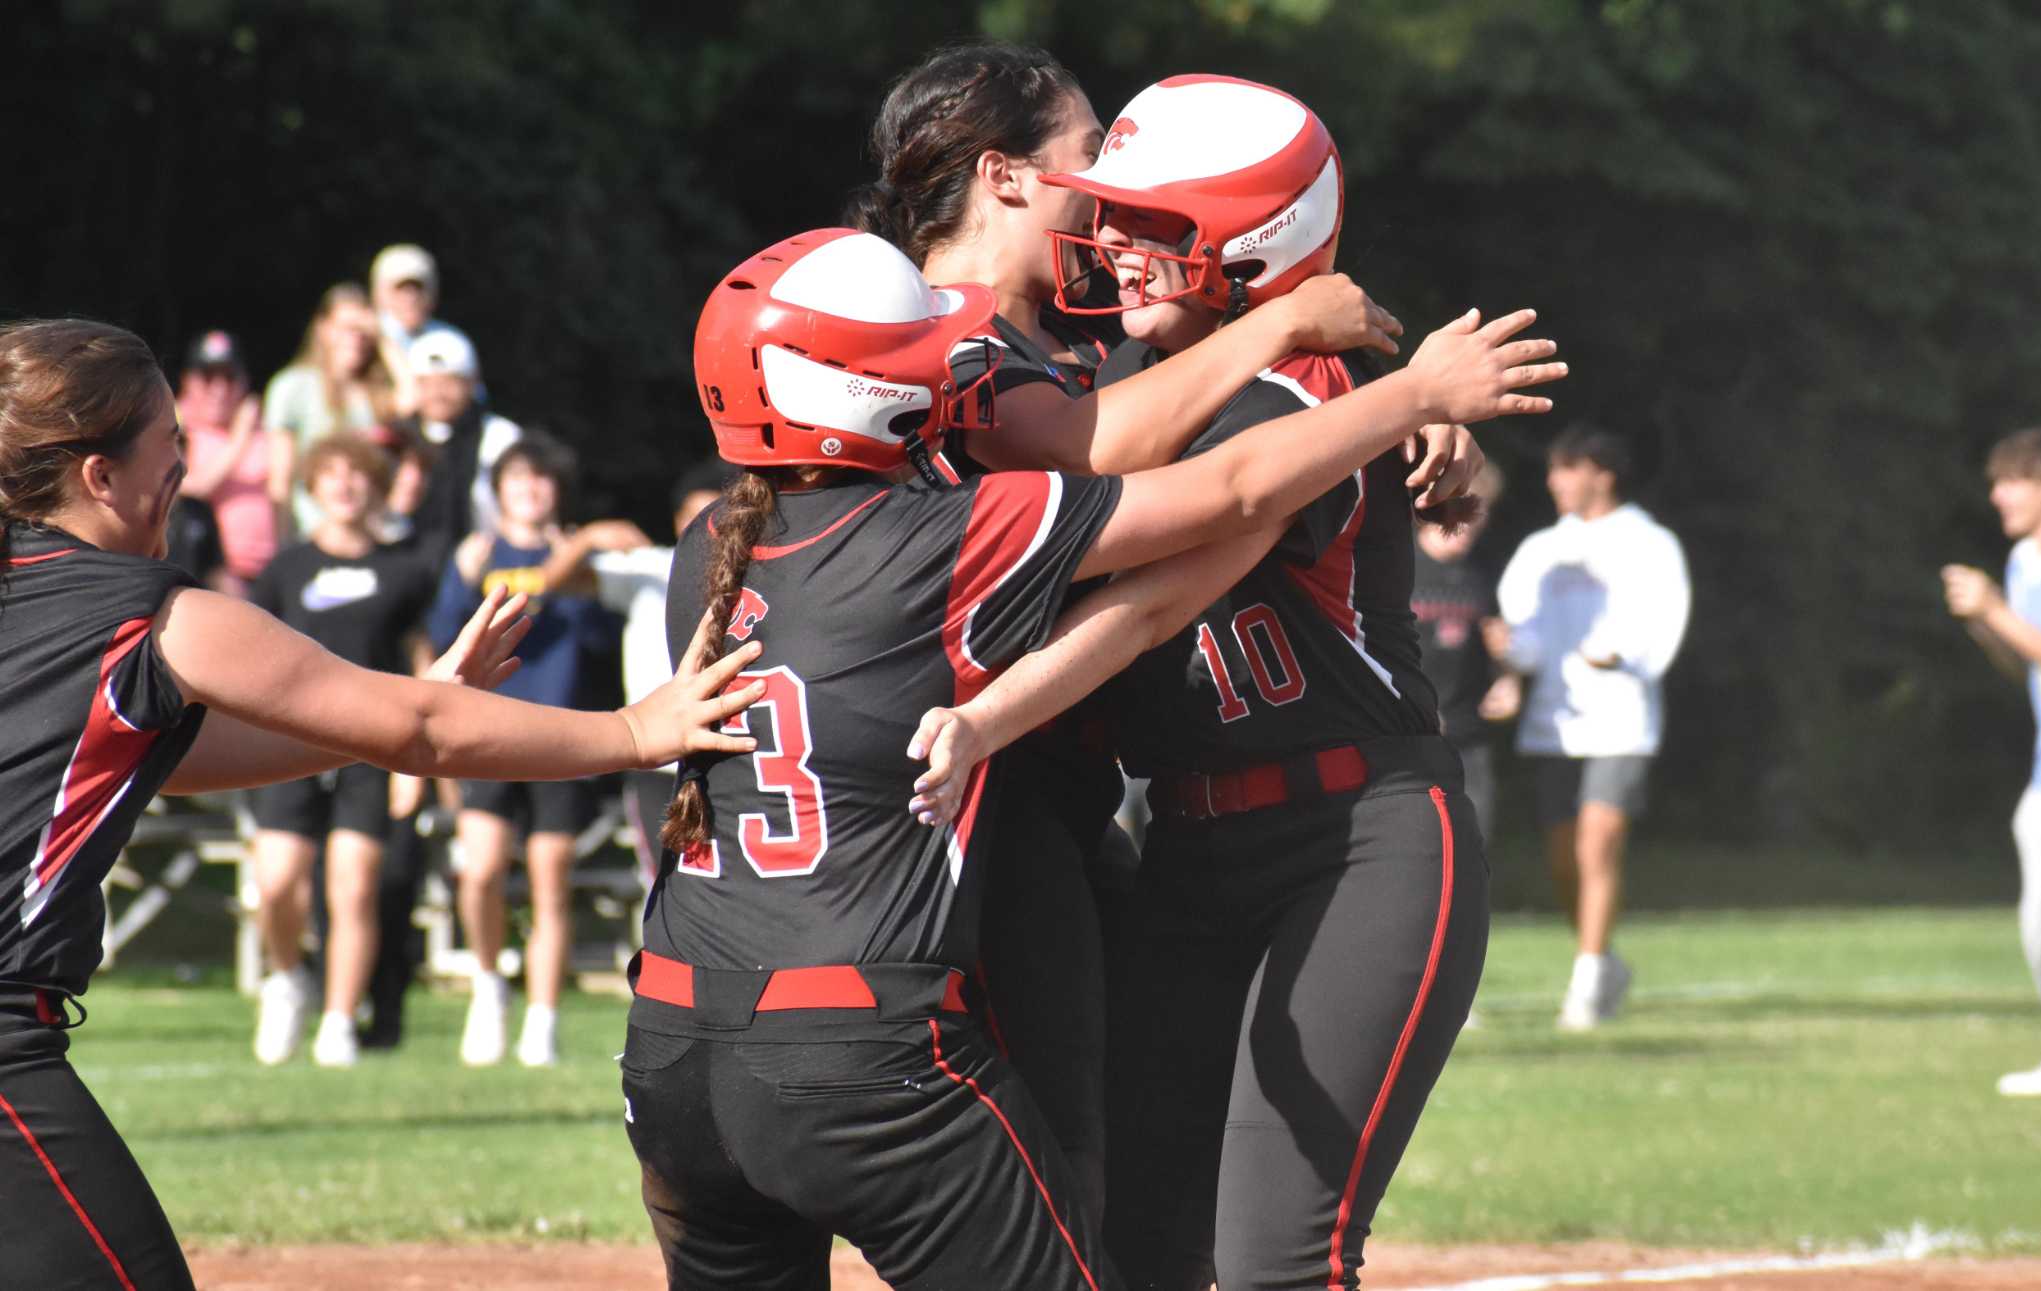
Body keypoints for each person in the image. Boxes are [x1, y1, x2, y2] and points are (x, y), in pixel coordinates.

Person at [619, 227, 1557, 1290]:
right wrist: (1407, 394)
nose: (953, 367)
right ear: (869, 395)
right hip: (852, 1050)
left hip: (670, 1051)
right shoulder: (950, 530)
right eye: (919, 353)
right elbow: (1233, 490)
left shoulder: (710, 542)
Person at [0, 317, 763, 1289]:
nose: (184, 468)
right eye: (168, 444)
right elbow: (423, 736)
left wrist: (413, 697)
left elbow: (173, 756)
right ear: (99, 477)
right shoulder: (146, 612)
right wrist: (633, 732)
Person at [849, 42, 1419, 1221]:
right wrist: (1309, 349)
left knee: (1119, 1186)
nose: (1109, 196)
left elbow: (1167, 420)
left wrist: (1390, 418)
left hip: (1057, 796)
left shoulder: (1070, 353)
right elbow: (1104, 458)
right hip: (968, 806)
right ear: (1004, 177)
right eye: (1088, 157)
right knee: (1066, 1181)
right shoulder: (930, 331)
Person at [243, 435, 440, 1068]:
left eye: (357, 476)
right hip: (287, 744)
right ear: (312, 488)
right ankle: (285, 979)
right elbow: (250, 659)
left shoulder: (406, 570)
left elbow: (421, 665)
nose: (345, 487)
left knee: (353, 887)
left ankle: (336, 1021)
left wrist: (419, 758)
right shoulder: (287, 568)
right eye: (331, 476)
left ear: (376, 488)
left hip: (372, 750)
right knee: (276, 883)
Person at [1488, 425, 1690, 1031]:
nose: (1555, 482)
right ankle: (1602, 961)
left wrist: (1623, 655)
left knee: (1598, 840)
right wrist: (1508, 652)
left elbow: (1664, 624)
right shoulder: (1541, 550)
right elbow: (1523, 634)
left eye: (1566, 469)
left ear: (1601, 474)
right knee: (1563, 857)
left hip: (1622, 720)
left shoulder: (1650, 543)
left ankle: (1586, 981)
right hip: (1554, 723)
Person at [426, 431, 615, 1068]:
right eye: (517, 479)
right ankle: (489, 987)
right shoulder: (476, 553)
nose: (530, 490)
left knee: (549, 884)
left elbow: (596, 645)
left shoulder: (580, 560)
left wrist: (583, 567)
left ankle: (543, 1018)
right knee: (478, 870)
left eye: (541, 479)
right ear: (498, 489)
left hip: (559, 737)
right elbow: (443, 636)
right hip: (486, 731)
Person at [537, 459, 737, 884]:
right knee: (663, 882)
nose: (709, 529)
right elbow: (551, 583)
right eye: (698, 517)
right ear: (680, 520)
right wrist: (589, 537)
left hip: (729, 752)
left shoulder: (756, 575)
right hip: (657, 759)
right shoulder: (652, 567)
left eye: (719, 516)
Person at [1942, 426, 2041, 1097]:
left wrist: (1995, 611)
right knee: (2040, 920)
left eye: (2012, 480)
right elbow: (2025, 662)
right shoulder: (2021, 560)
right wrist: (1986, 624)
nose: (1997, 494)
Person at [1412, 461, 1519, 842]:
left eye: (1482, 515)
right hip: (1407, 737)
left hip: (1468, 736)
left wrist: (1508, 679)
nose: (1472, 525)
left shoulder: (1484, 570)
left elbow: (1495, 642)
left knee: (1473, 848)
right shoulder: (1396, 566)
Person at [261, 283, 394, 534]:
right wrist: (282, 541)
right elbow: (280, 477)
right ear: (322, 329)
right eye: (346, 329)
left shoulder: (374, 392)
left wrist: (383, 336)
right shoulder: (292, 386)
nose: (355, 339)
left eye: (362, 332)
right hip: (311, 531)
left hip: (370, 534)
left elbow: (411, 400)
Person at [394, 329, 521, 563]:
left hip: (483, 558)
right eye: (427, 383)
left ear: (472, 382)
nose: (437, 393)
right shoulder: (394, 440)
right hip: (405, 560)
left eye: (449, 382)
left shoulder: (501, 437)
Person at [175, 329, 278, 594]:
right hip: (213, 574)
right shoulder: (177, 428)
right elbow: (194, 486)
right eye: (208, 377)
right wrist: (239, 440)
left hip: (268, 571)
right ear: (188, 380)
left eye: (229, 377)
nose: (220, 389)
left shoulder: (263, 430)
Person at [369, 242, 478, 412]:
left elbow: (474, 399)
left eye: (418, 288)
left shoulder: (451, 341)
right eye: (400, 289)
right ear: (379, 293)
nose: (410, 298)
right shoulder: (364, 339)